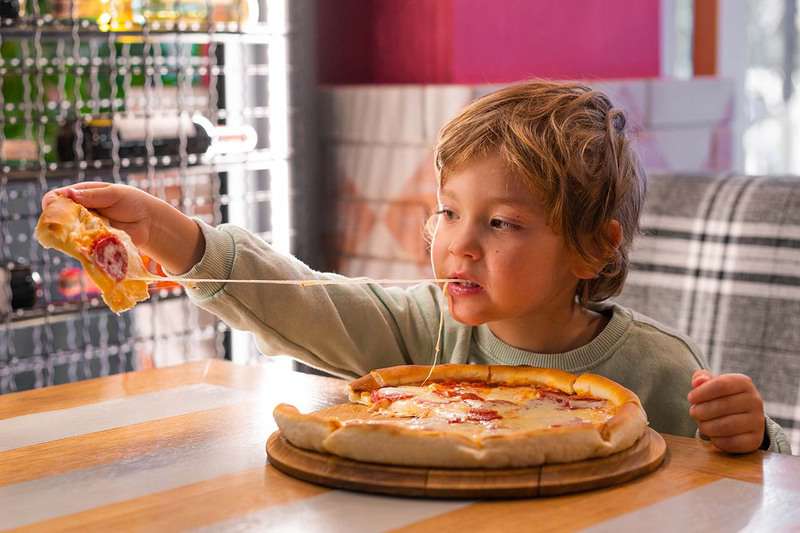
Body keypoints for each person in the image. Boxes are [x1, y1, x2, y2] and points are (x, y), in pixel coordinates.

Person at [43, 80, 790, 454]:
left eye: (500, 223)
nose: (458, 244)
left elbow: (750, 486)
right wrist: (170, 232)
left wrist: (753, 434)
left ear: (594, 248)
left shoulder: (659, 368)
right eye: (448, 211)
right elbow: (304, 303)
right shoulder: (422, 334)